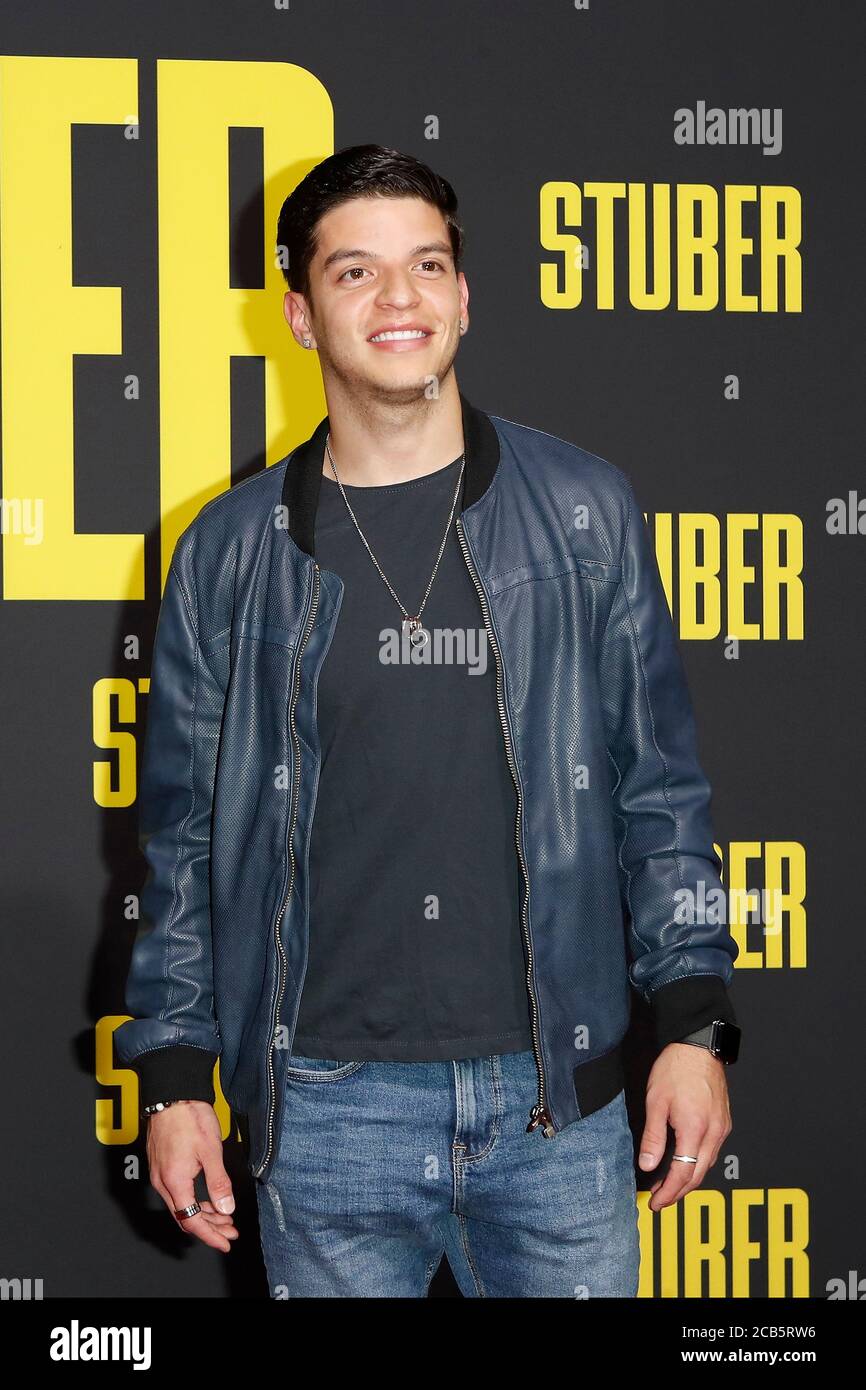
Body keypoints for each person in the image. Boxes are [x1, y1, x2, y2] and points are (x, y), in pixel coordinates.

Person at [114, 144, 741, 1298]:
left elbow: (657, 790)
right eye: (355, 273)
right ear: (299, 316)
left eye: (426, 265)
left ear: (462, 295)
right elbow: (186, 842)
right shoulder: (224, 553)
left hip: (558, 1103)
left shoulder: (585, 512)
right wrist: (170, 1074)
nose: (398, 298)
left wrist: (693, 1025)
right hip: (326, 1113)